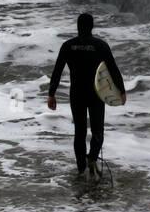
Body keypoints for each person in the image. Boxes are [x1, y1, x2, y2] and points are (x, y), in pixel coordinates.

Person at [48, 12, 127, 179]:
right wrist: (121, 90)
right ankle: (92, 158)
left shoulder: (68, 45)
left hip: (77, 93)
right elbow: (113, 69)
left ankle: (81, 168)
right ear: (92, 26)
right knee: (98, 130)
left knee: (80, 131)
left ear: (78, 26)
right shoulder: (101, 45)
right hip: (96, 93)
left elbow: (57, 71)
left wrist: (51, 94)